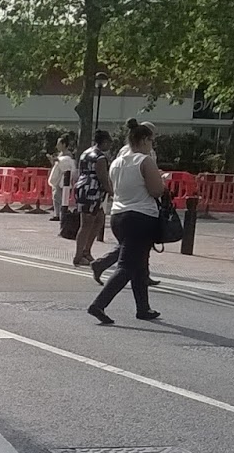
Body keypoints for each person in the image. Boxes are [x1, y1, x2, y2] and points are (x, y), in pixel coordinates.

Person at [88, 123, 164, 325]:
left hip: (118, 216)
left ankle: (143, 308)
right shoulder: (145, 161)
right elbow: (156, 190)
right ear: (144, 140)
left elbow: (114, 187)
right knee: (127, 266)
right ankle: (99, 304)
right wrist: (162, 181)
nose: (152, 144)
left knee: (139, 263)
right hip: (141, 216)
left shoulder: (117, 162)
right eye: (151, 141)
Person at [72, 130, 113, 266]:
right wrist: (111, 192)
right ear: (104, 142)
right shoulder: (100, 157)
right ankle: (79, 255)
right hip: (92, 190)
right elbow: (103, 178)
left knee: (99, 219)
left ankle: (86, 251)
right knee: (87, 223)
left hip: (83, 187)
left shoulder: (85, 153)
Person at [47, 135, 76, 223]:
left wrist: (58, 161)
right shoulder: (60, 154)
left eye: (59, 144)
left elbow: (67, 166)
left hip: (64, 178)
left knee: (62, 196)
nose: (57, 146)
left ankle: (62, 213)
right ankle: (57, 214)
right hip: (57, 178)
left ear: (64, 144)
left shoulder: (68, 155)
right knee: (56, 196)